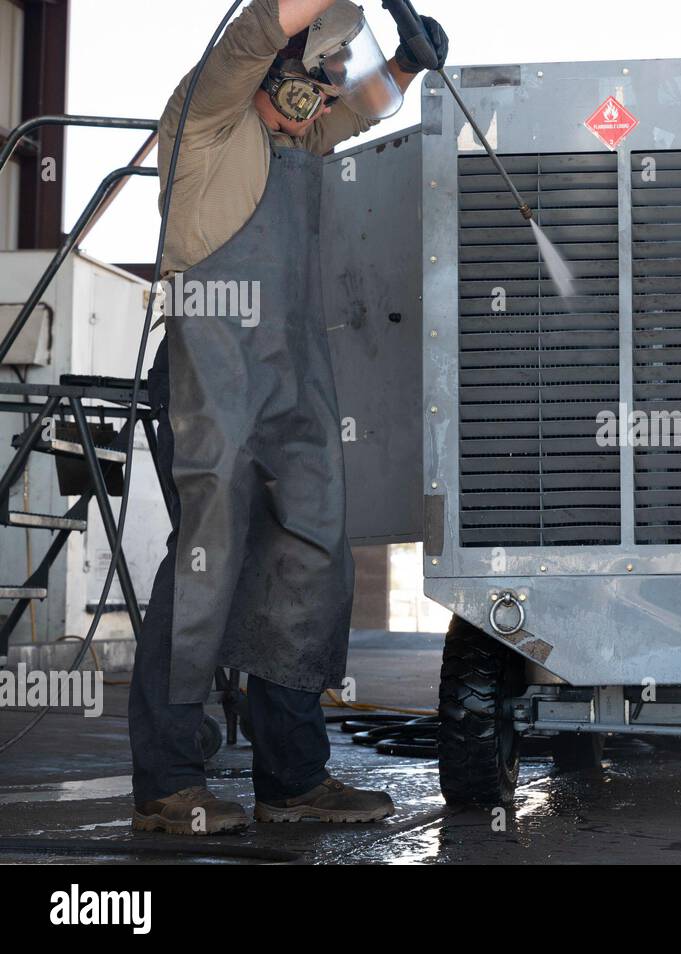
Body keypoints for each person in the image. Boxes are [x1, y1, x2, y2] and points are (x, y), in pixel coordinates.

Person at [130, 0, 448, 835]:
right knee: (209, 561)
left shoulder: (293, 141)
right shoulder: (210, 112)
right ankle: (167, 785)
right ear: (279, 75)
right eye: (316, 76)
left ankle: (293, 780)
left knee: (310, 554)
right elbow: (260, 31)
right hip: (212, 366)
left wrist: (408, 64)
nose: (325, 95)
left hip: (290, 372)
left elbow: (359, 112)